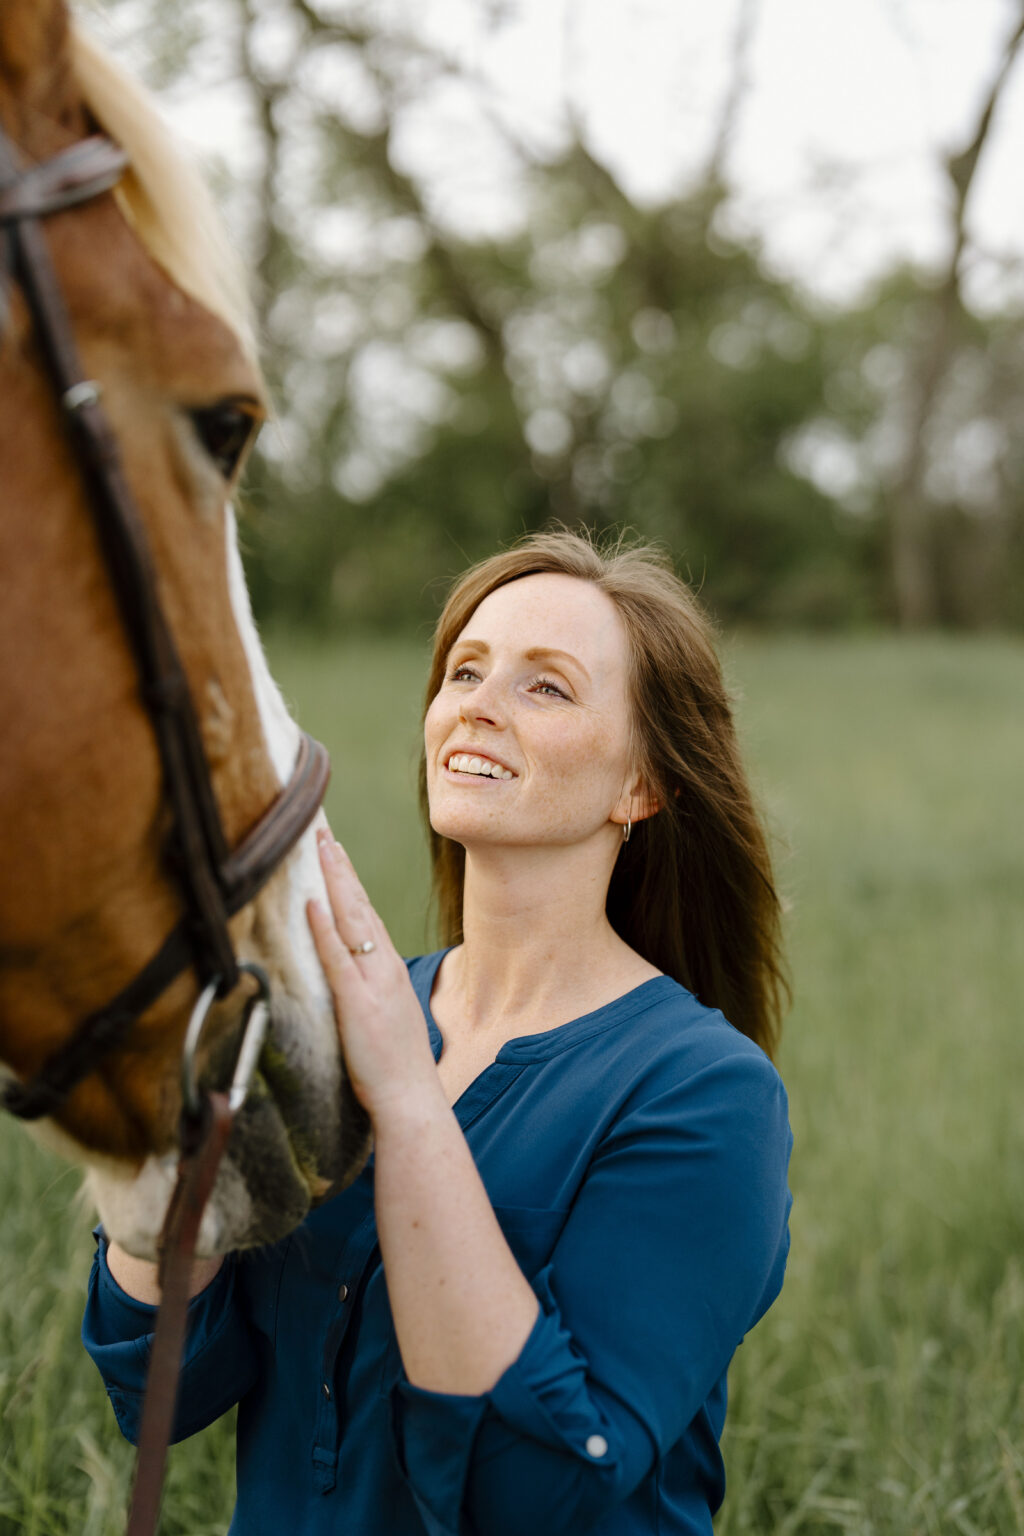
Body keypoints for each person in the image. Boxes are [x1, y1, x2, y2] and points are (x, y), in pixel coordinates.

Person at [83, 530, 793, 1536]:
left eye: (546, 687)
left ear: (644, 785)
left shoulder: (705, 1093)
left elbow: (538, 1491)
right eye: (465, 669)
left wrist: (407, 1096)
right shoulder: (344, 1016)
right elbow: (163, 1386)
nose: (477, 704)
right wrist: (159, 1131)